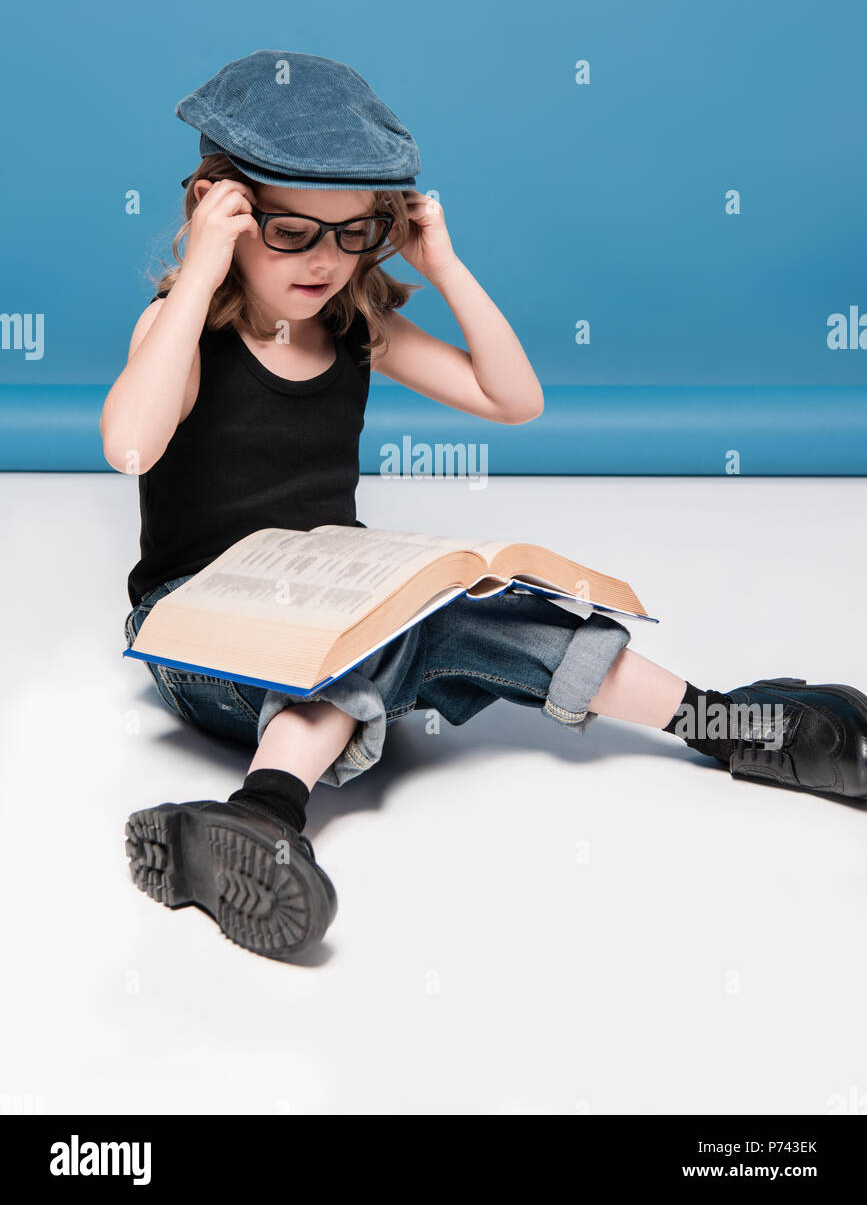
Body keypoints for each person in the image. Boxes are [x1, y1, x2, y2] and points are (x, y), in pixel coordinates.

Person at [102, 50, 867, 964]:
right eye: (292, 233)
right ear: (218, 212)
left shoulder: (356, 325)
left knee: (496, 613)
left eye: (356, 235)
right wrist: (194, 278)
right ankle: (256, 817)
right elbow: (131, 447)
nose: (326, 261)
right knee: (357, 648)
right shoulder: (183, 329)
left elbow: (513, 400)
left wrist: (446, 267)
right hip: (198, 631)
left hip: (331, 590)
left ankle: (728, 725)